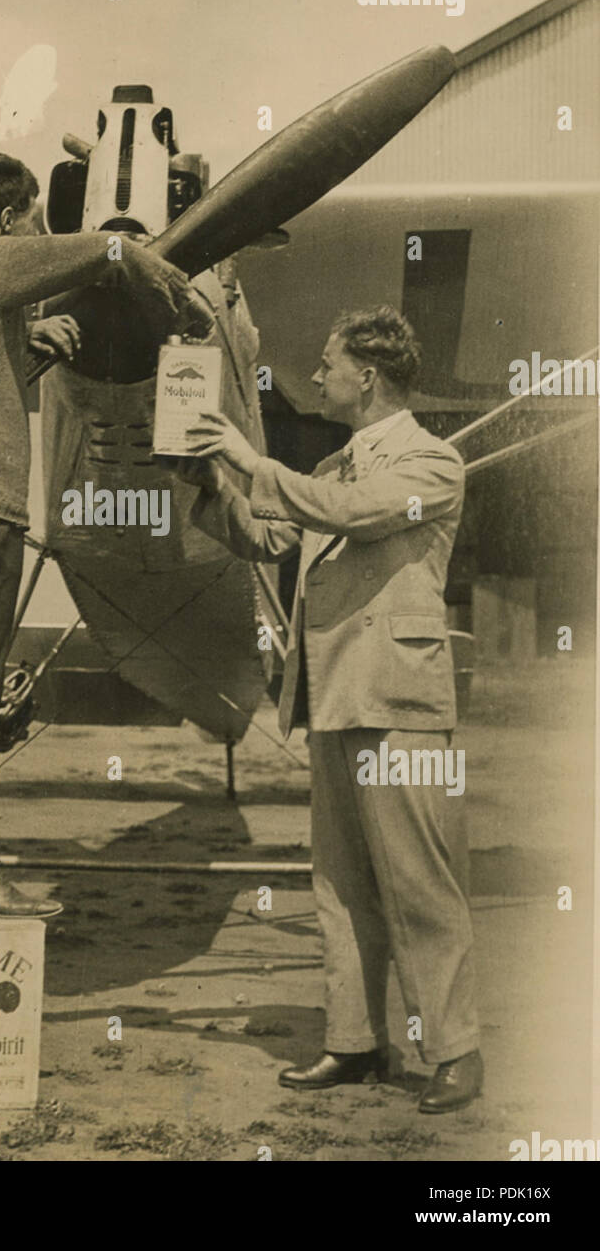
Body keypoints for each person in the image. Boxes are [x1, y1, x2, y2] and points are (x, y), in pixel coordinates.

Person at [0, 152, 206, 918]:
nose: (39, 234)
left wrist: (35, 340)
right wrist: (167, 284)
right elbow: (106, 248)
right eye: (35, 220)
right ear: (7, 219)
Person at [181, 306, 482, 1114]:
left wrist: (247, 456)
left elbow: (347, 515)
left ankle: (454, 1049)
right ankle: (353, 1041)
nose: (315, 377)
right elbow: (271, 538)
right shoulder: (337, 465)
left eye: (326, 363)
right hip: (336, 695)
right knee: (340, 884)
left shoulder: (428, 462)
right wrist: (206, 478)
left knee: (418, 883)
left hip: (398, 700)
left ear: (368, 377)